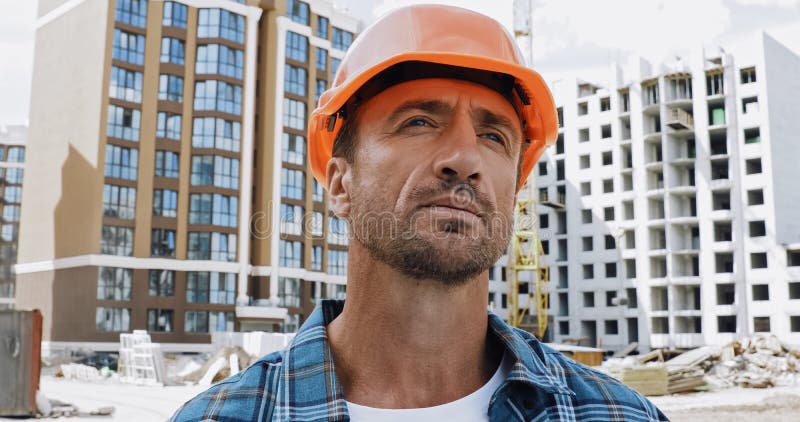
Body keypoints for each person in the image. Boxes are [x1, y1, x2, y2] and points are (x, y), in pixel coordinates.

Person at [171, 4, 668, 421]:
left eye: (494, 136)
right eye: (419, 122)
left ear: (514, 192)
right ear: (340, 183)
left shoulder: (614, 414)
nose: (465, 159)